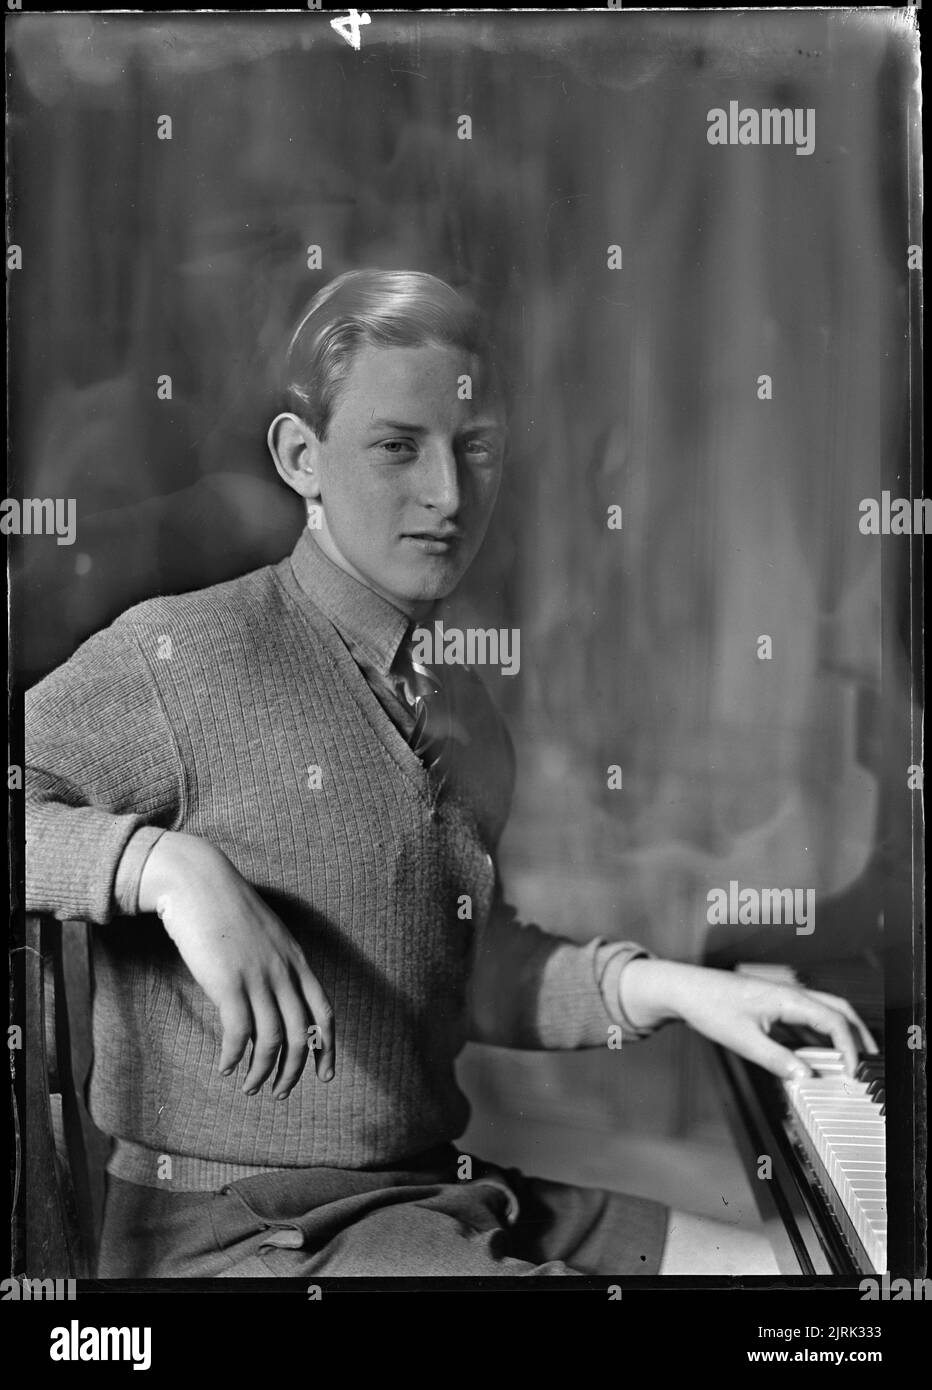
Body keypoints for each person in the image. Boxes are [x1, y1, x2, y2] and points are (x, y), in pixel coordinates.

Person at [24, 269, 874, 1277]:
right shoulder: (183, 654)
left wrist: (668, 987)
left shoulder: (461, 705)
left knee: (806, 1279)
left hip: (430, 1192)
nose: (447, 494)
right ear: (301, 457)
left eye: (476, 449)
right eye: (397, 447)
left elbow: (458, 971)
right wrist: (161, 868)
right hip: (242, 1234)